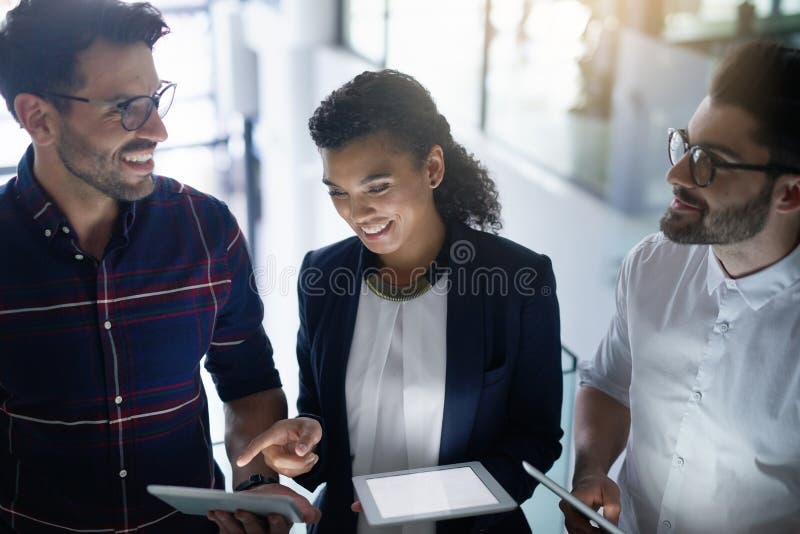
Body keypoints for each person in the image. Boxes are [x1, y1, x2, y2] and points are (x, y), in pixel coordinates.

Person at [0, 1, 318, 532]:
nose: (158, 130)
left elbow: (249, 384)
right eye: (126, 107)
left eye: (154, 99)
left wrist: (256, 485)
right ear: (39, 118)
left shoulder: (206, 229)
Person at [236, 69, 564, 533]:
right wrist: (304, 446)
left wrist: (425, 497)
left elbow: (534, 443)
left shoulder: (517, 280)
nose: (357, 214)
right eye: (339, 192)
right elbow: (319, 417)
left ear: (432, 169)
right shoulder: (321, 276)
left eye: (377, 187)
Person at [563, 41, 800, 534]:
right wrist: (590, 469)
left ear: (790, 192)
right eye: (686, 145)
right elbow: (609, 384)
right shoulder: (652, 264)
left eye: (709, 162)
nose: (675, 174)